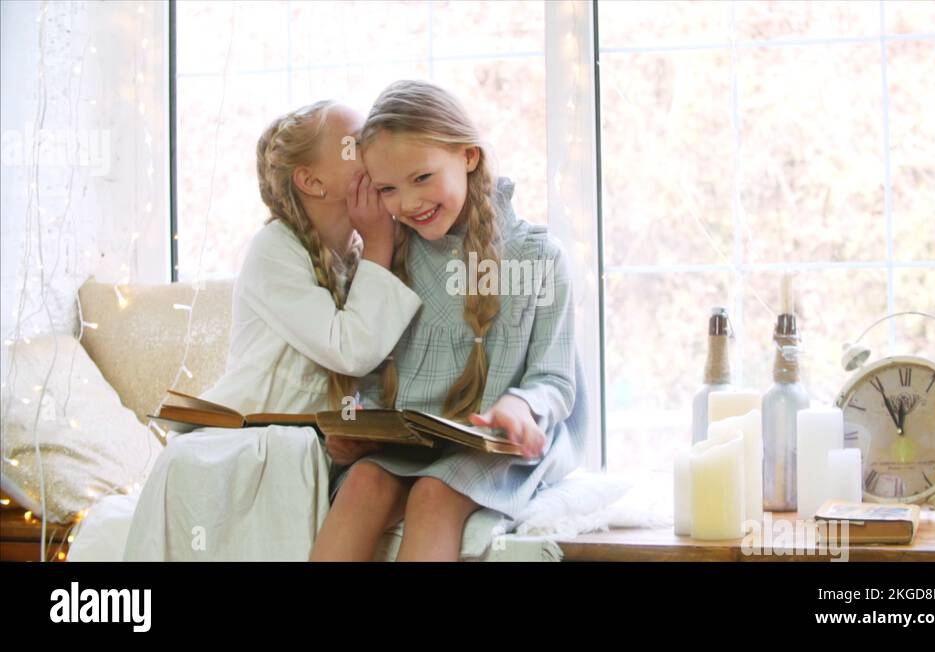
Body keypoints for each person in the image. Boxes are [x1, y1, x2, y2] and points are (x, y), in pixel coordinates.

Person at [123, 101, 420, 560]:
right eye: (353, 143)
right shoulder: (273, 250)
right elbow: (351, 350)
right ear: (311, 181)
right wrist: (380, 244)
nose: (370, 147)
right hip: (252, 426)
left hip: (323, 435)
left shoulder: (355, 252)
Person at [309, 80, 587, 562]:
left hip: (497, 448)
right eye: (388, 189)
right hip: (414, 443)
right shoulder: (389, 257)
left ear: (469, 157)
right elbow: (371, 372)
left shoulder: (538, 257)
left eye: (422, 178)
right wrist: (355, 428)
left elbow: (555, 381)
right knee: (364, 485)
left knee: (434, 495)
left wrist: (521, 407)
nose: (408, 203)